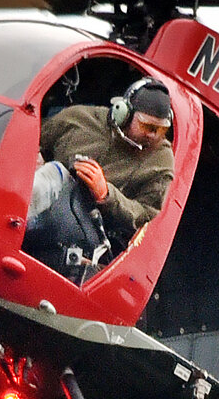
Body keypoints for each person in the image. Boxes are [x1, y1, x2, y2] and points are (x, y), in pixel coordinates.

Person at [24, 77, 176, 281]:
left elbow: (145, 213)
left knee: (55, 172)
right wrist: (33, 157)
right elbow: (32, 137)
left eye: (160, 130)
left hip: (89, 229)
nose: (153, 135)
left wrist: (106, 193)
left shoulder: (161, 159)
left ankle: (10, 213)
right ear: (123, 113)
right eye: (147, 126)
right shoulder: (77, 118)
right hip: (44, 201)